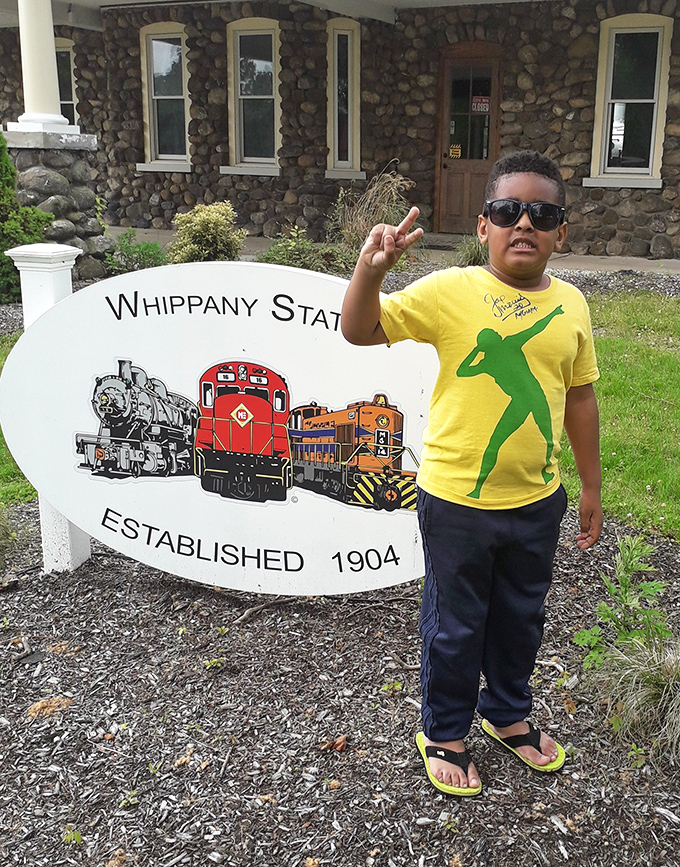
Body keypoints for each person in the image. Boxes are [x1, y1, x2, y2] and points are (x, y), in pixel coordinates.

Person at [340, 150, 602, 797]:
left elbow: (579, 397)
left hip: (537, 500)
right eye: (508, 210)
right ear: (483, 226)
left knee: (520, 617)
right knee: (455, 624)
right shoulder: (450, 291)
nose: (524, 223)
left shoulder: (571, 305)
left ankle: (506, 713)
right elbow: (359, 329)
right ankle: (445, 730)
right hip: (457, 502)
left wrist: (591, 486)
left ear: (561, 232)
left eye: (542, 214)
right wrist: (370, 270)